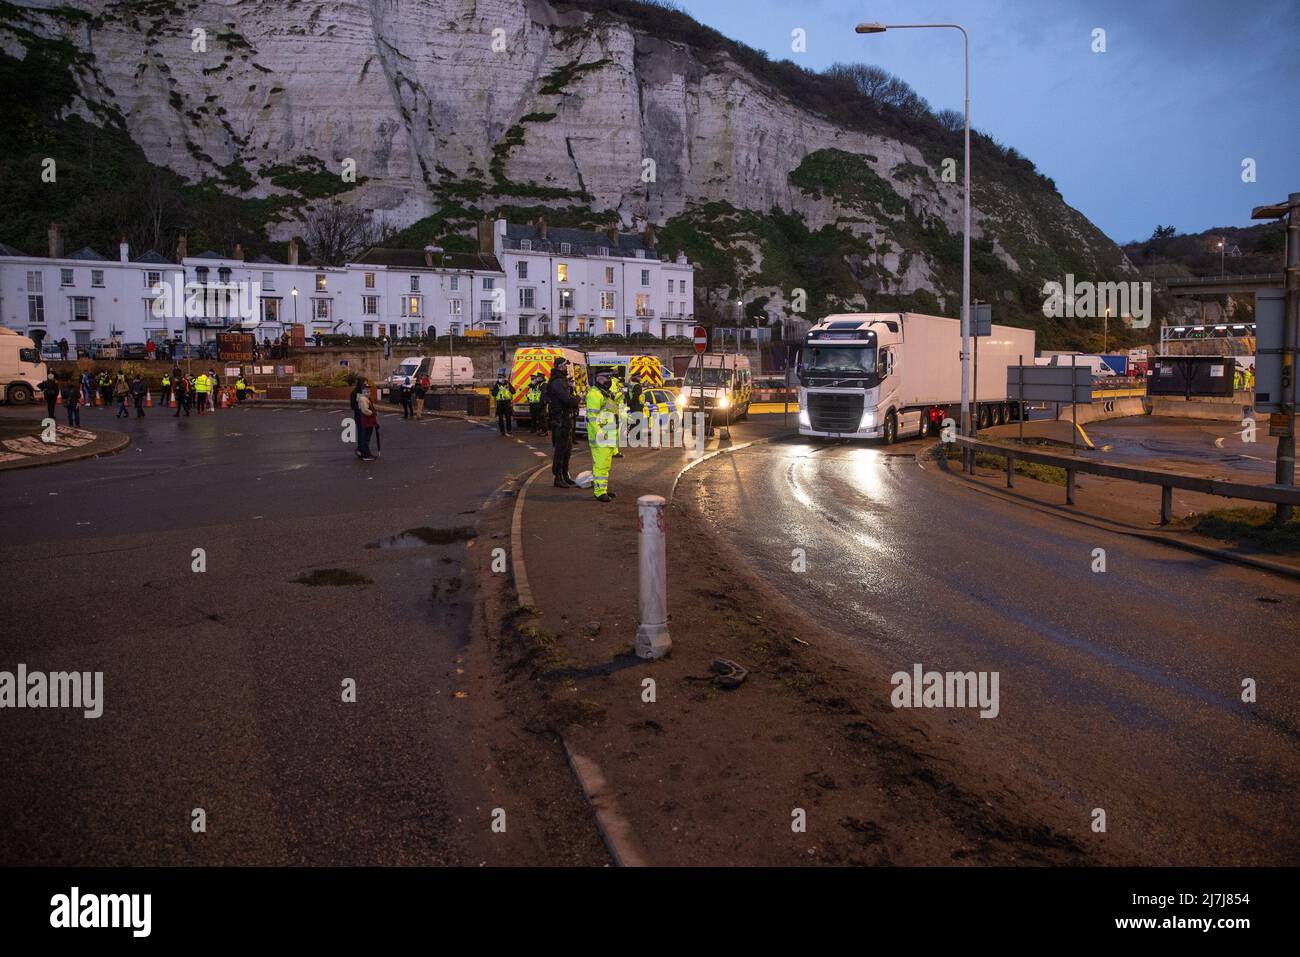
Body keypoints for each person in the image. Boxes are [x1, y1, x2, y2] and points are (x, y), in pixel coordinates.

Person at [545, 358, 579, 488]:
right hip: (560, 420)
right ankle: (558, 478)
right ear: (559, 366)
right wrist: (577, 397)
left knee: (567, 450)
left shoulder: (562, 381)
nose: (567, 367)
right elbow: (567, 401)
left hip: (566, 420)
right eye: (565, 365)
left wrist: (571, 389)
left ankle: (565, 475)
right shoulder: (558, 382)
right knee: (560, 450)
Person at [586, 370, 619, 502]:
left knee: (605, 465)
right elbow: (592, 418)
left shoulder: (605, 395)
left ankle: (602, 489)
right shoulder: (594, 395)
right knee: (600, 465)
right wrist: (600, 434)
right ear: (599, 379)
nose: (609, 381)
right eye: (607, 378)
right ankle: (600, 492)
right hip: (601, 437)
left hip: (608, 435)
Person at [354, 377, 377, 461]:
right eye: (366, 390)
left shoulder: (365, 398)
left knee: (366, 437)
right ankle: (365, 453)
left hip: (368, 420)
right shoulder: (362, 398)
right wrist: (372, 413)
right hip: (366, 420)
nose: (368, 392)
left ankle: (364, 452)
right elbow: (364, 410)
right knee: (365, 437)